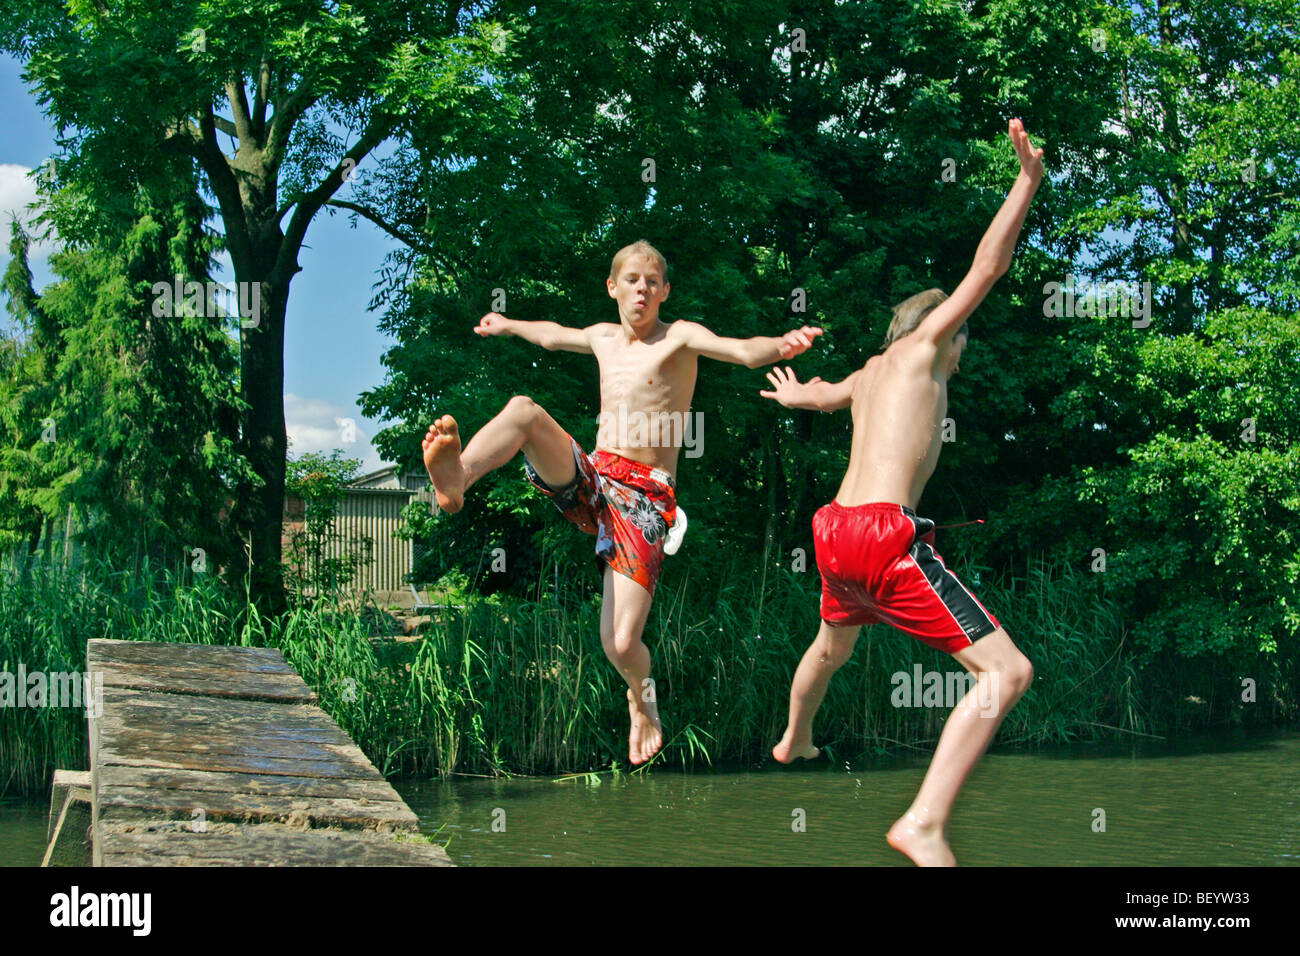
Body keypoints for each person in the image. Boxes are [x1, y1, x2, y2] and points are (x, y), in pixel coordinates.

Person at [762, 119, 1045, 865]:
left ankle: (794, 738)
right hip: (885, 533)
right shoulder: (920, 349)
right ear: (937, 332)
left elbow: (823, 395)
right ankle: (923, 821)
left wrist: (796, 395)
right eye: (960, 339)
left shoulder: (869, 372)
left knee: (831, 647)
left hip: (833, 533)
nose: (962, 350)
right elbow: (987, 268)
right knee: (1007, 672)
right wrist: (1025, 182)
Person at [422, 239, 822, 765]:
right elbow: (551, 337)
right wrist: (508, 324)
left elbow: (742, 350)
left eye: (653, 282)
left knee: (619, 643)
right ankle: (459, 481)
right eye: (632, 280)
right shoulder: (604, 337)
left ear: (665, 292)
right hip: (595, 475)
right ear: (613, 287)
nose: (643, 289)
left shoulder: (679, 337)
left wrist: (782, 344)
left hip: (645, 499)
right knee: (523, 410)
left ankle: (643, 702)